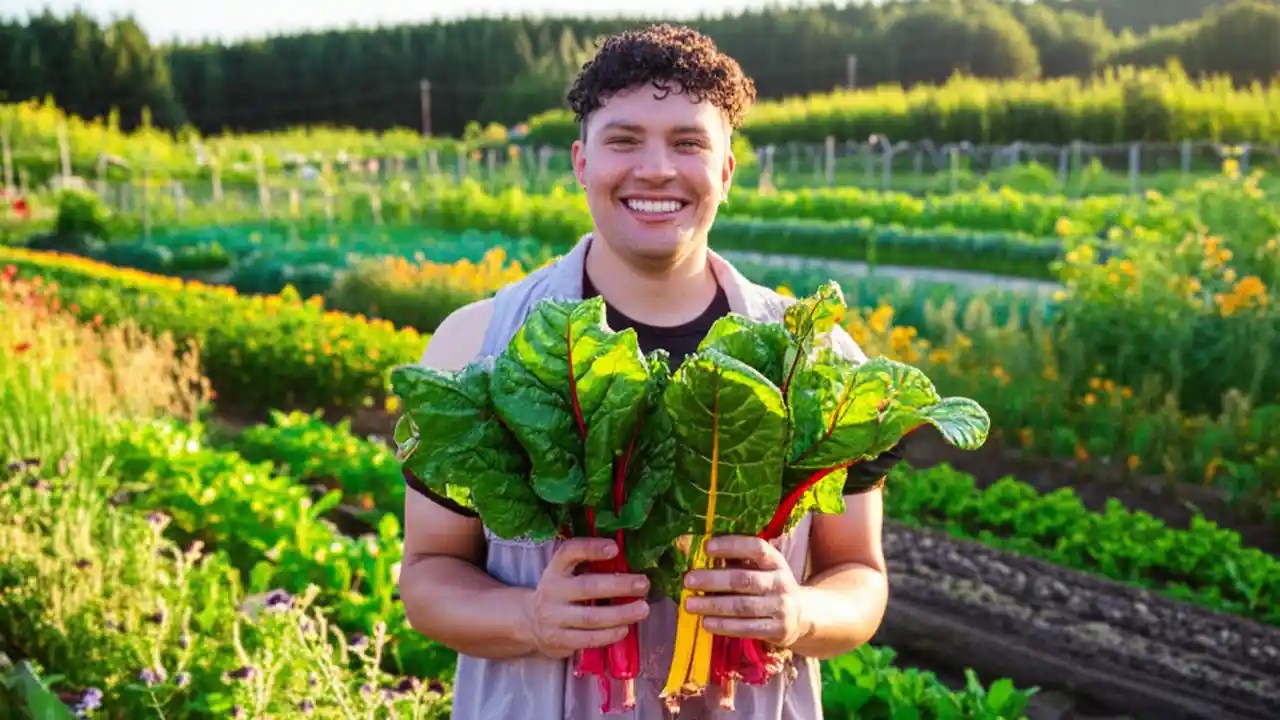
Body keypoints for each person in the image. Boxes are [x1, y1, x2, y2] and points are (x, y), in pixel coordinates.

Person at [398, 23, 900, 719]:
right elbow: (425, 580)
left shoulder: (816, 359)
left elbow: (861, 579)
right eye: (624, 140)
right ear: (580, 162)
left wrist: (802, 612)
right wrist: (529, 617)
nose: (657, 169)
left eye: (689, 143)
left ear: (726, 170)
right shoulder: (475, 344)